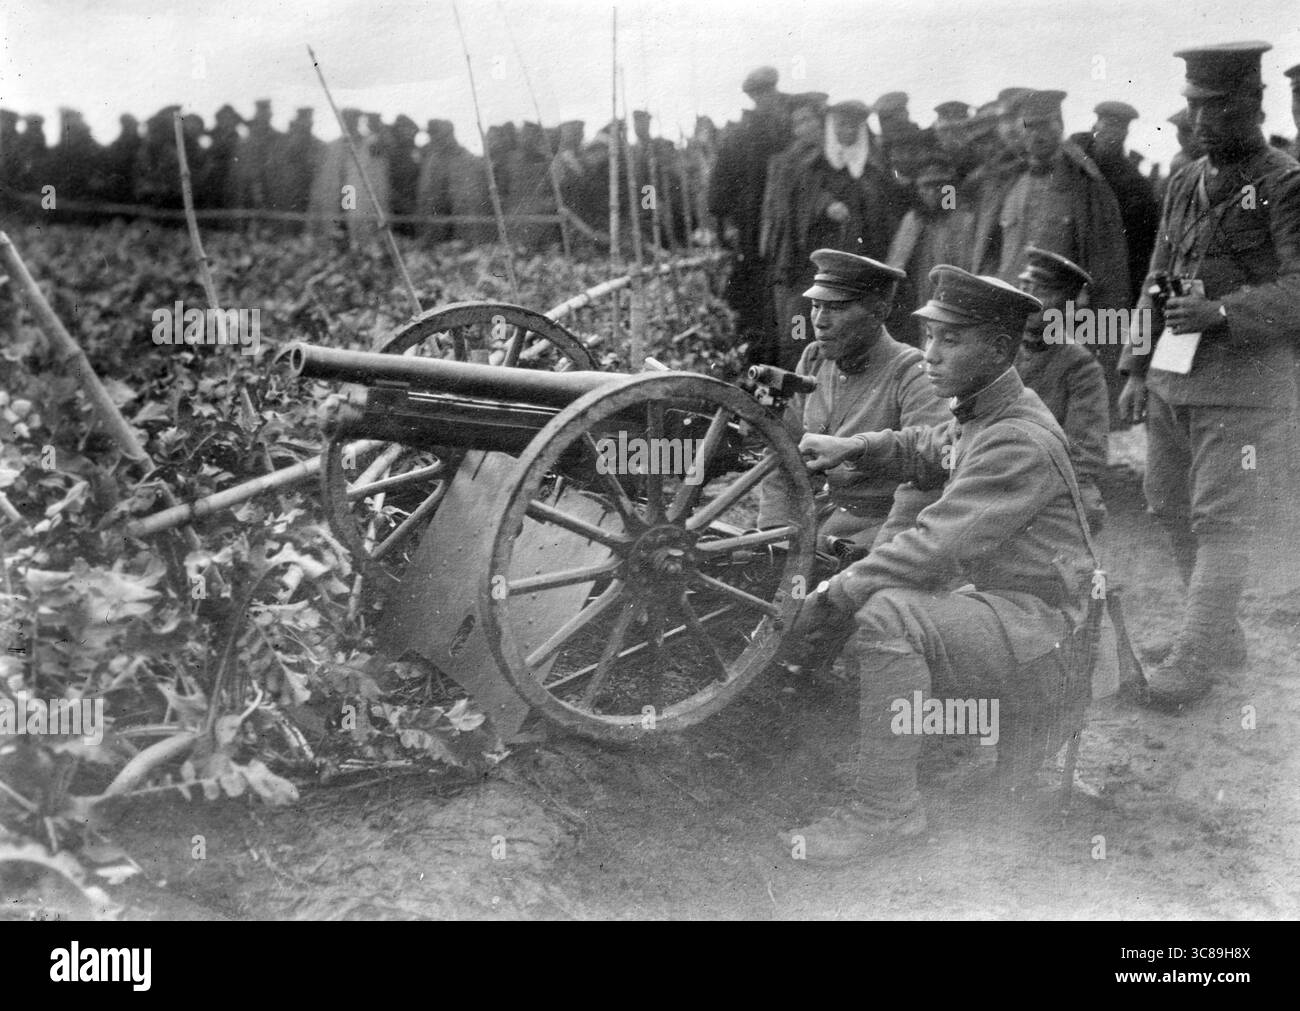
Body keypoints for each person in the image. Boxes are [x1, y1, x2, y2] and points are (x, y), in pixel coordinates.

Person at [786, 265, 1087, 861]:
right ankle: (941, 754)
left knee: (888, 616)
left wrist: (832, 596)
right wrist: (859, 446)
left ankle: (884, 810)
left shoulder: (1017, 439)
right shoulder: (988, 411)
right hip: (1012, 613)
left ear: (1000, 348)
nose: (930, 354)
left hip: (1048, 633)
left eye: (950, 339)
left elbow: (933, 548)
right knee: (875, 598)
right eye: (928, 337)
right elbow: (928, 447)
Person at [1117, 41, 1300, 709]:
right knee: (1167, 504)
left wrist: (1222, 311)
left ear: (1253, 105)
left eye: (1214, 107)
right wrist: (1136, 365)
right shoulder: (1184, 181)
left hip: (1247, 388)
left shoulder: (1286, 183)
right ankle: (1217, 633)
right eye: (1192, 106)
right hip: (1174, 377)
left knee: (1221, 519)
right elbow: (1156, 279)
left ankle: (1197, 650)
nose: (1196, 120)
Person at [756, 250, 948, 560]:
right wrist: (772, 535)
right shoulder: (815, 359)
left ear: (879, 312)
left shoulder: (912, 374)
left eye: (836, 309)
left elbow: (928, 471)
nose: (819, 321)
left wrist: (879, 556)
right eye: (816, 306)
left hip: (876, 533)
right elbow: (783, 453)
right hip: (818, 522)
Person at [1014, 246, 1109, 531]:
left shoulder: (1080, 366)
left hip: (1047, 477)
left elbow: (1085, 453)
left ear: (1066, 304)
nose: (1028, 299)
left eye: (1041, 292)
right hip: (989, 466)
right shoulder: (999, 347)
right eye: (1023, 287)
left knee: (1084, 512)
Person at [708, 66, 790, 353]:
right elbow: (720, 187)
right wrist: (727, 223)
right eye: (759, 95)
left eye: (769, 93)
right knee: (754, 285)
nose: (766, 99)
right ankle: (757, 347)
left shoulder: (792, 123)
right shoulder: (741, 134)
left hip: (790, 219)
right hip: (752, 222)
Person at [1071, 101, 1160, 310]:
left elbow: (1142, 245)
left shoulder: (1136, 184)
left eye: (1119, 128)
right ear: (1095, 127)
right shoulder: (1070, 163)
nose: (1113, 134)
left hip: (1108, 278)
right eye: (1108, 125)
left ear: (1126, 133)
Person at [886, 154, 976, 344]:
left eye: (939, 186)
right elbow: (896, 263)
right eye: (926, 186)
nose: (932, 192)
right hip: (915, 301)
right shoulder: (913, 220)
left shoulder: (964, 220)